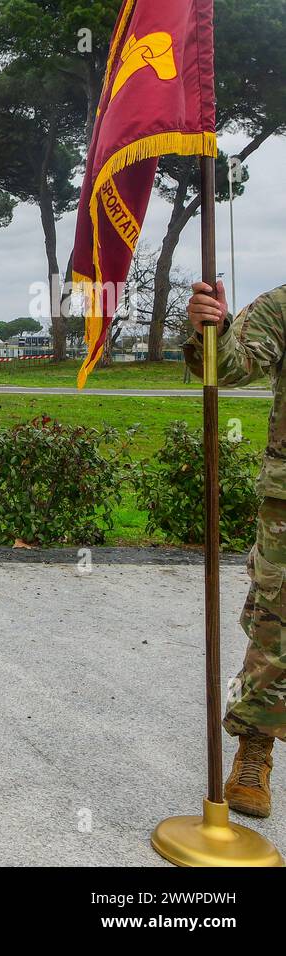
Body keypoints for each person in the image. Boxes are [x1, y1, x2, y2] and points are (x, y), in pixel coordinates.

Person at [185, 278, 286, 817]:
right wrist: (212, 329)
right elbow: (226, 369)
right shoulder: (283, 305)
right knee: (278, 625)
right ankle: (254, 752)